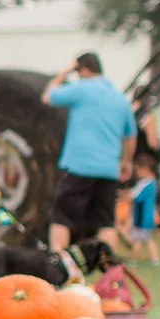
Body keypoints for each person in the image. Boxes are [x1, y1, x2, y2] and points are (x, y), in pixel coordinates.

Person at [41, 52, 136, 255]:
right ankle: (109, 267)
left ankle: (59, 262)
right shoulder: (119, 97)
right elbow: (130, 135)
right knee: (105, 221)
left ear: (82, 70)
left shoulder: (82, 89)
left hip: (79, 165)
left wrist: (64, 72)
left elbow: (48, 96)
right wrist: (126, 161)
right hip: (109, 169)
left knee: (62, 217)